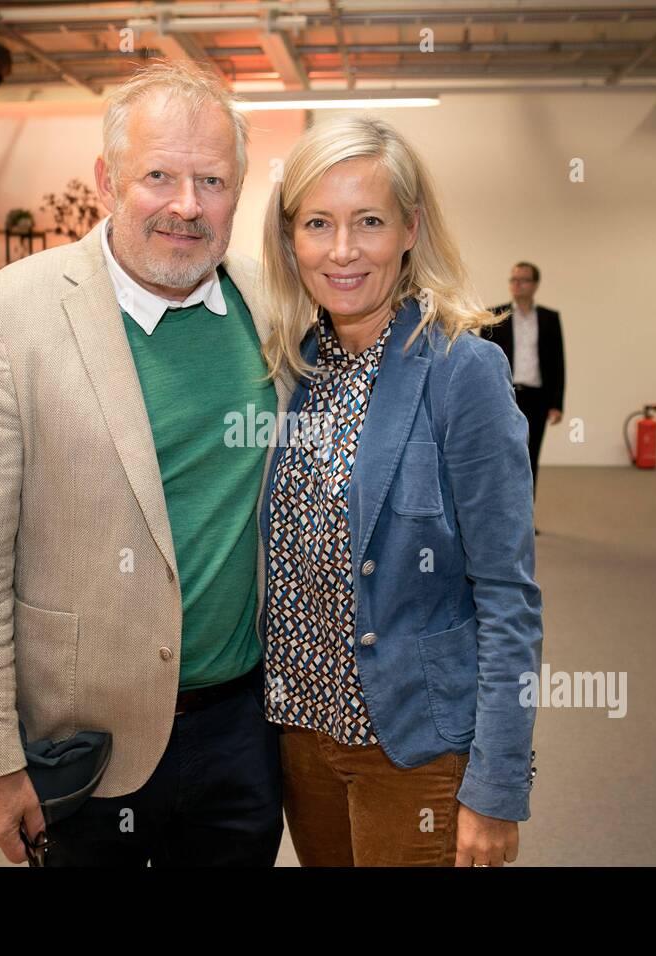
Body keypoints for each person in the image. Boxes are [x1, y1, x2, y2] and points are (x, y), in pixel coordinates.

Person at [0, 61, 289, 867]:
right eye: (158, 175)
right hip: (85, 746)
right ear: (106, 181)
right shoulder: (6, 319)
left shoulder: (275, 308)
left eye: (212, 180)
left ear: (239, 189)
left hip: (244, 733)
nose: (187, 206)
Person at [258, 116, 543, 866]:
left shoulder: (461, 370)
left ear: (410, 228)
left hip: (412, 745)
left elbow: (508, 592)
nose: (342, 250)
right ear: (291, 239)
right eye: (318, 223)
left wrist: (497, 783)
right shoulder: (291, 371)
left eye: (369, 222)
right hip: (301, 741)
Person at [483, 262, 565, 518]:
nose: (516, 284)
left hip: (537, 398)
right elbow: (480, 365)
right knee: (500, 457)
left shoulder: (550, 319)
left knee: (530, 458)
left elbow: (558, 362)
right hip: (504, 397)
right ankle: (499, 515)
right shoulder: (494, 315)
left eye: (523, 280)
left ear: (535, 285)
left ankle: (525, 516)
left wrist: (556, 403)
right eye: (513, 279)